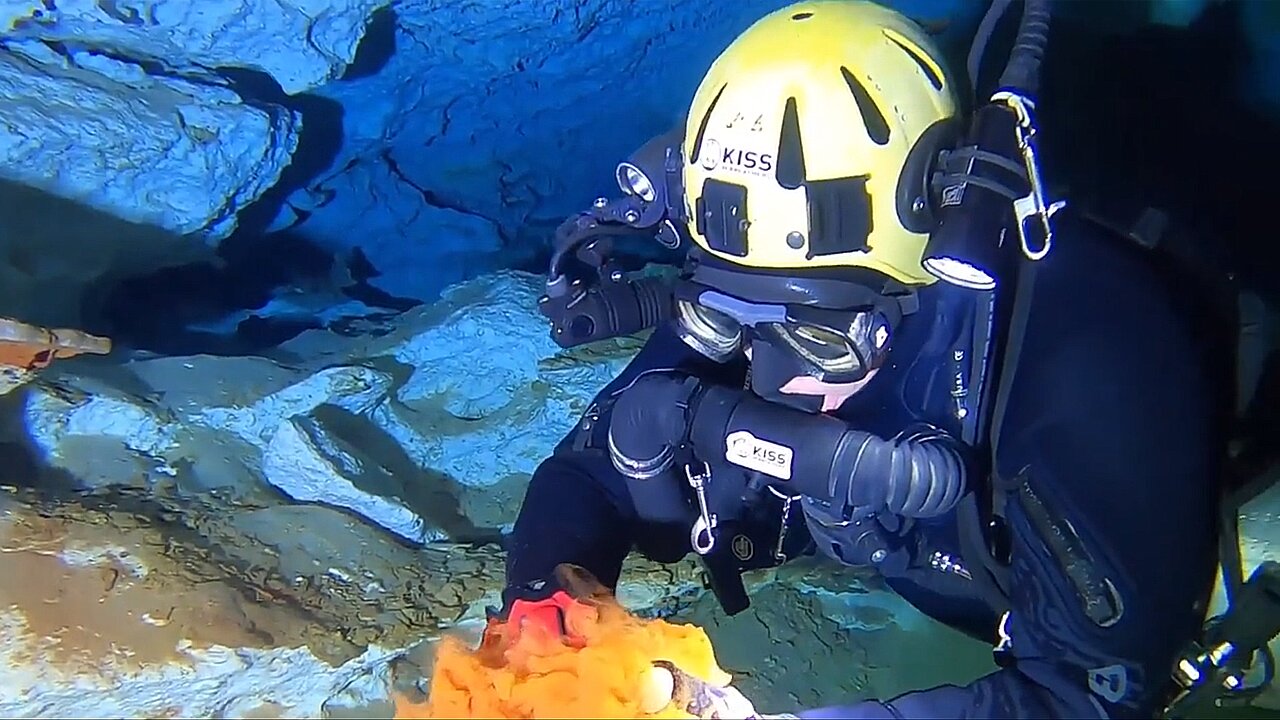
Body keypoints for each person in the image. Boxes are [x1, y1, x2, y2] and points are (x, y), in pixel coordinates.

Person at [494, 1, 1278, 717]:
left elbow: (1090, 693)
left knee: (1193, 99)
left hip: (1218, 283)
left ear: (922, 286)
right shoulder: (764, 291)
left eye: (818, 337)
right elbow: (587, 471)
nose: (771, 379)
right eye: (728, 320)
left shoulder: (1088, 360)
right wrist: (543, 604)